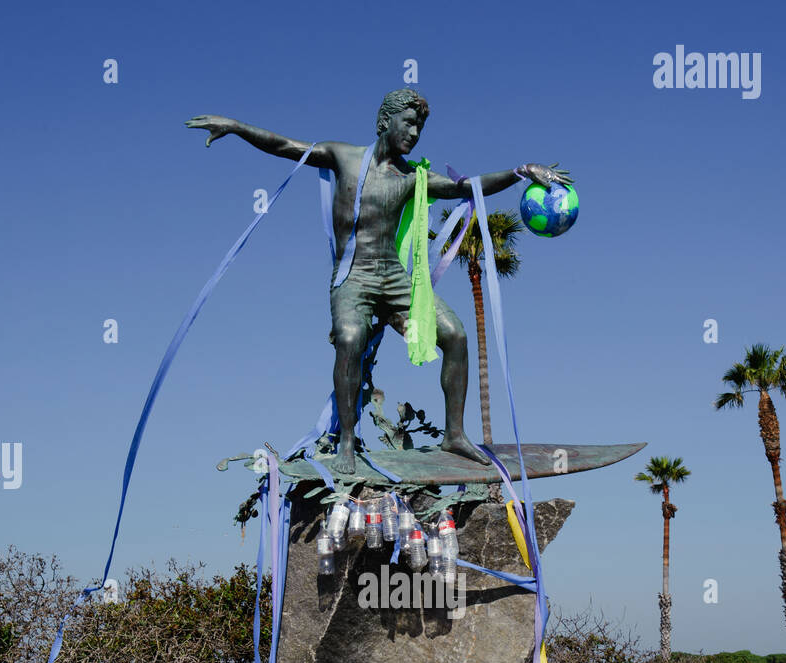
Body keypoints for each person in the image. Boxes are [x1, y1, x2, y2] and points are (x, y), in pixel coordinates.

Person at [187, 90, 568, 473]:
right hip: (354, 277)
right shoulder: (344, 157)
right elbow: (286, 146)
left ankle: (454, 434)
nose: (415, 132)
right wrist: (235, 127)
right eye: (409, 122)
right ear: (386, 121)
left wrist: (521, 171)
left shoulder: (411, 178)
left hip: (395, 279)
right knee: (350, 340)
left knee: (455, 334)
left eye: (420, 126)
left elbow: (465, 187)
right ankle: (347, 441)